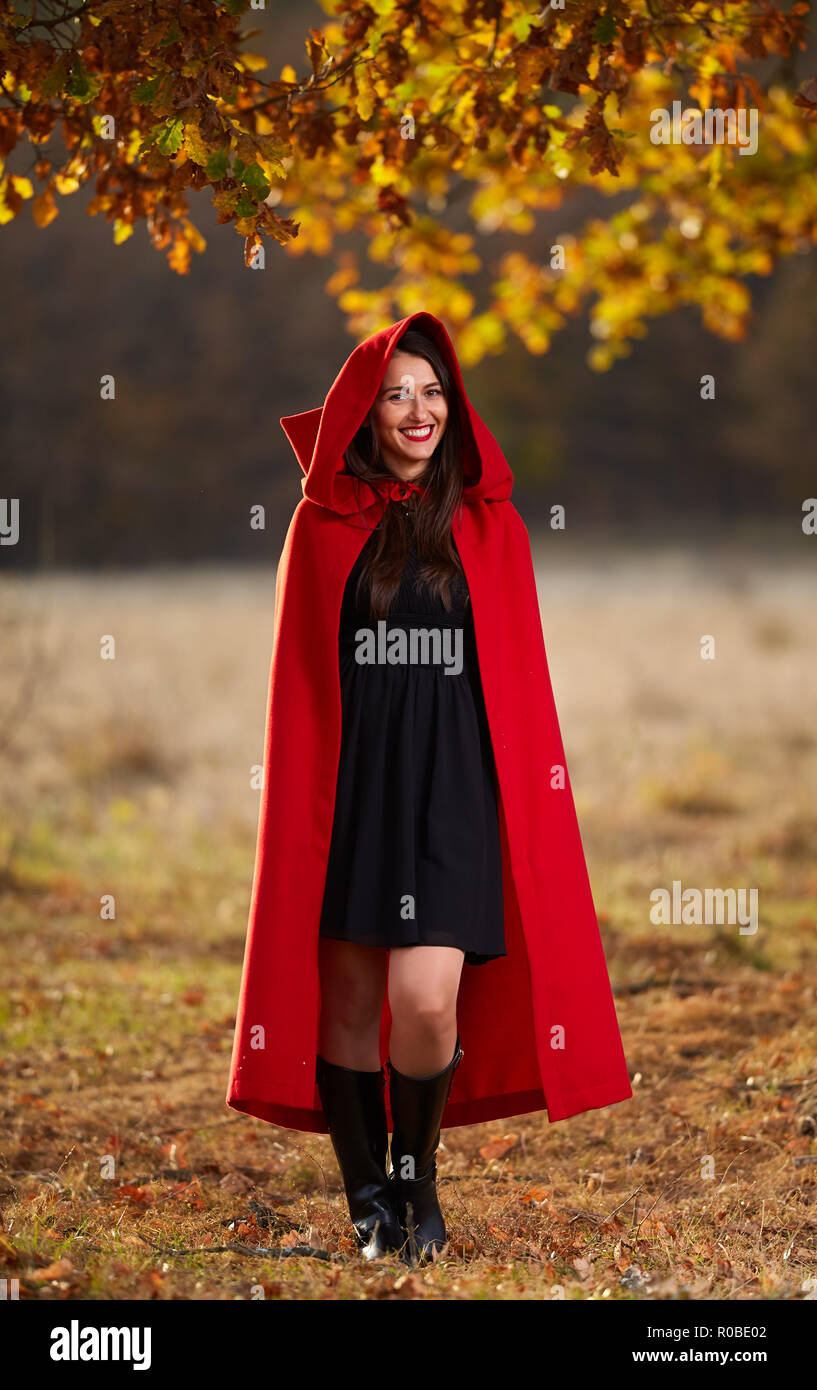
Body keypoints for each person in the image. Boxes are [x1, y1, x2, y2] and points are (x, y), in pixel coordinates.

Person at [226, 311, 632, 1266]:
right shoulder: (322, 527)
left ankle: (417, 1179)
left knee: (426, 1002)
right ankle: (369, 1200)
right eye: (398, 393)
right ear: (365, 413)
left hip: (456, 790)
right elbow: (303, 692)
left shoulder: (490, 526)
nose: (418, 410)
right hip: (356, 792)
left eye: (434, 391)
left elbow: (520, 689)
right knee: (351, 1004)